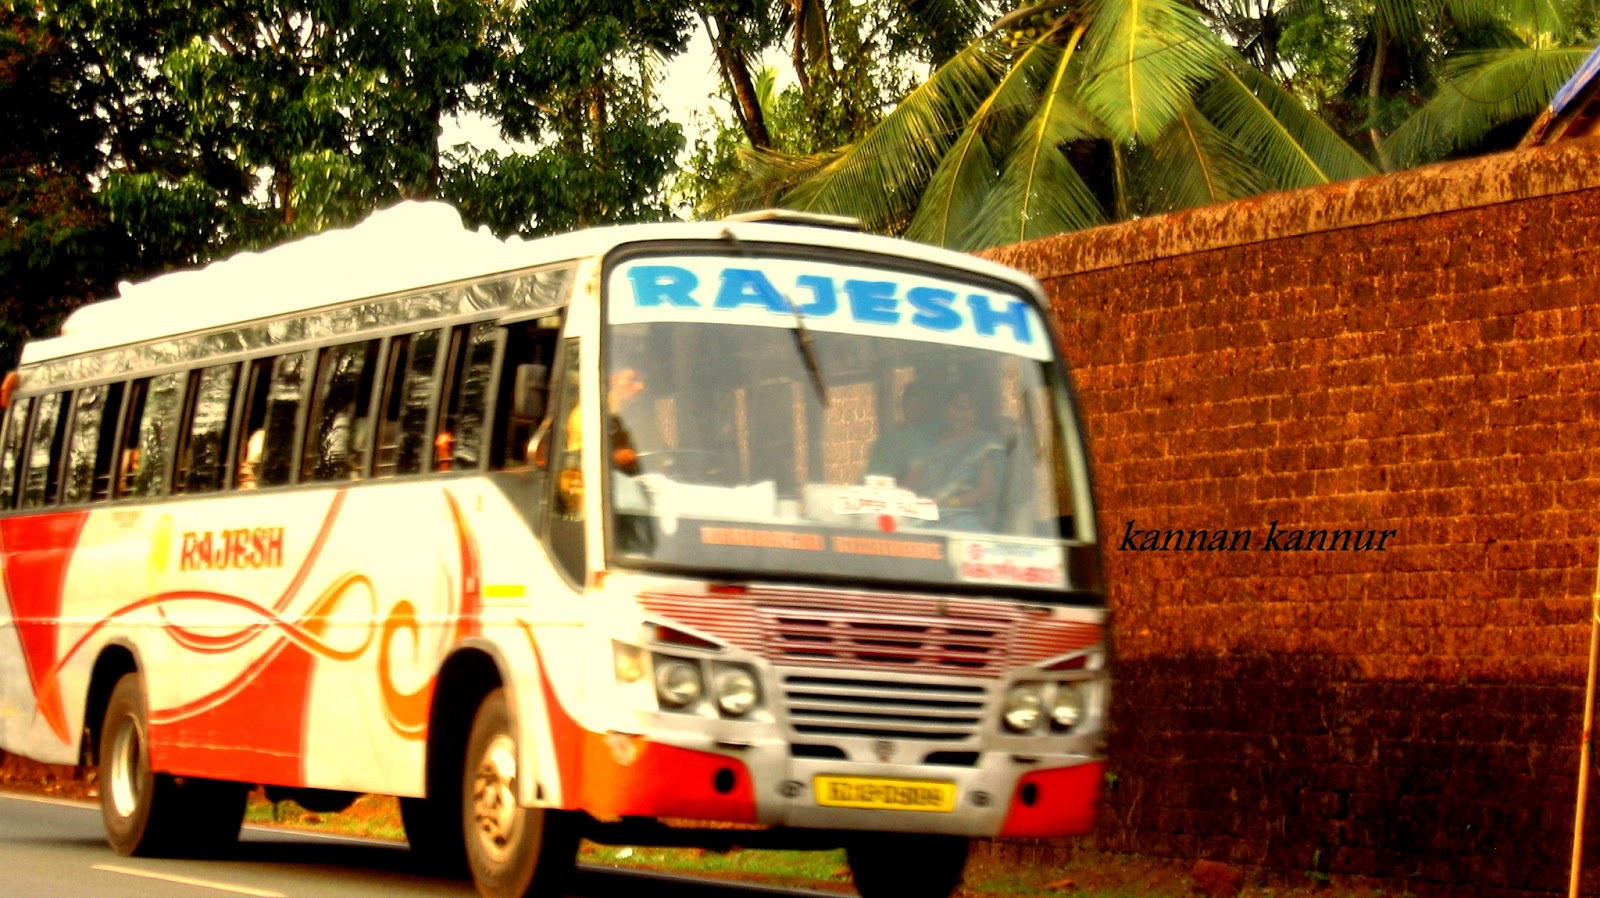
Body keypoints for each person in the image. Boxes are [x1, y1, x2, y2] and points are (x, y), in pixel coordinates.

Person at [905, 387, 1005, 530]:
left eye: (969, 409)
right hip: (924, 514)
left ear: (976, 412)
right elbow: (913, 481)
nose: (962, 415)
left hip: (964, 518)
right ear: (946, 409)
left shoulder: (986, 444)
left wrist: (949, 503)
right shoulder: (931, 443)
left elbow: (985, 490)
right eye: (957, 408)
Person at [867, 378, 939, 483]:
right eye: (911, 400)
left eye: (922, 402)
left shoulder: (928, 437)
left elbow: (914, 476)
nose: (917, 406)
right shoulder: (886, 441)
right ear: (902, 404)